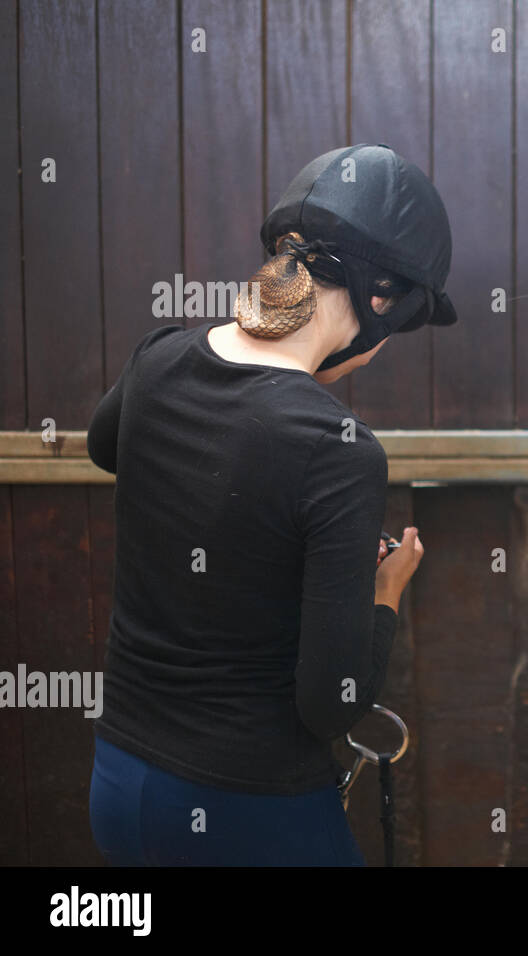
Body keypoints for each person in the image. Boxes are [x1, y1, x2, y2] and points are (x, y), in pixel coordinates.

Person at [85, 144, 456, 865]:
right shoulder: (340, 450)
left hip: (120, 786)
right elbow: (331, 703)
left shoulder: (158, 357)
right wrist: (383, 594)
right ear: (383, 299)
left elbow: (109, 446)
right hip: (248, 817)